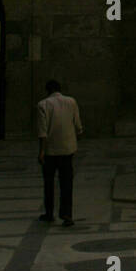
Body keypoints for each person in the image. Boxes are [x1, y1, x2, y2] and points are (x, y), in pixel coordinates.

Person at [37, 79, 83, 226]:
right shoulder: (71, 102)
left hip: (51, 150)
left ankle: (49, 212)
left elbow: (43, 132)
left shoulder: (43, 105)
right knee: (66, 183)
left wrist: (41, 152)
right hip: (68, 148)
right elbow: (78, 125)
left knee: (49, 183)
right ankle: (67, 214)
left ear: (47, 91)